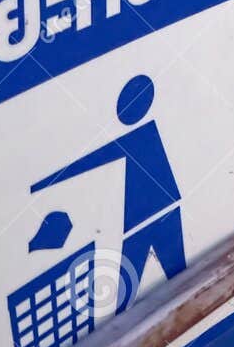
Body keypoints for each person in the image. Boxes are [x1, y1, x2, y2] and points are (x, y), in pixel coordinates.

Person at [30, 74, 183, 312]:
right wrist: (46, 181)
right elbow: (94, 158)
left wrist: (48, 181)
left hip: (152, 216)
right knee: (161, 276)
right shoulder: (143, 134)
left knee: (156, 277)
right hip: (155, 214)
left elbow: (93, 159)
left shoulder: (139, 137)